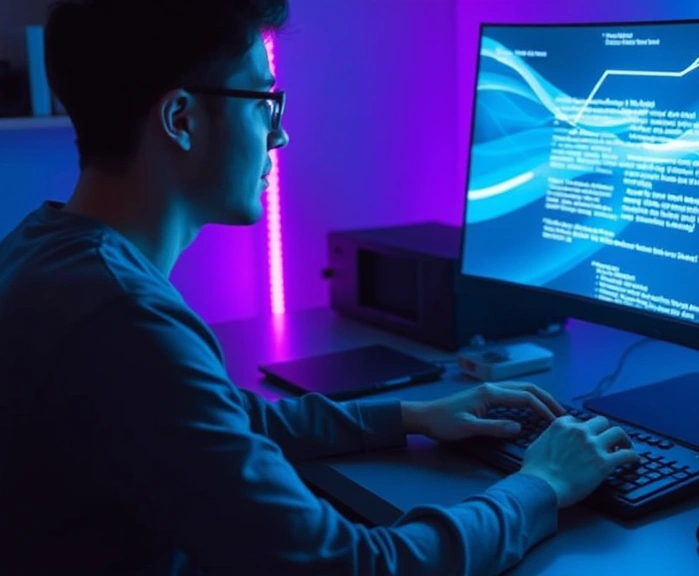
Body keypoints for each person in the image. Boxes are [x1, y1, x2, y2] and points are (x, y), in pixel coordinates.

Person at [0, 1, 642, 575]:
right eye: (263, 102)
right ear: (180, 118)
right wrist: (540, 485)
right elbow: (352, 566)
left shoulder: (45, 248)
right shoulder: (125, 317)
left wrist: (412, 416)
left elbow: (217, 420)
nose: (280, 134)